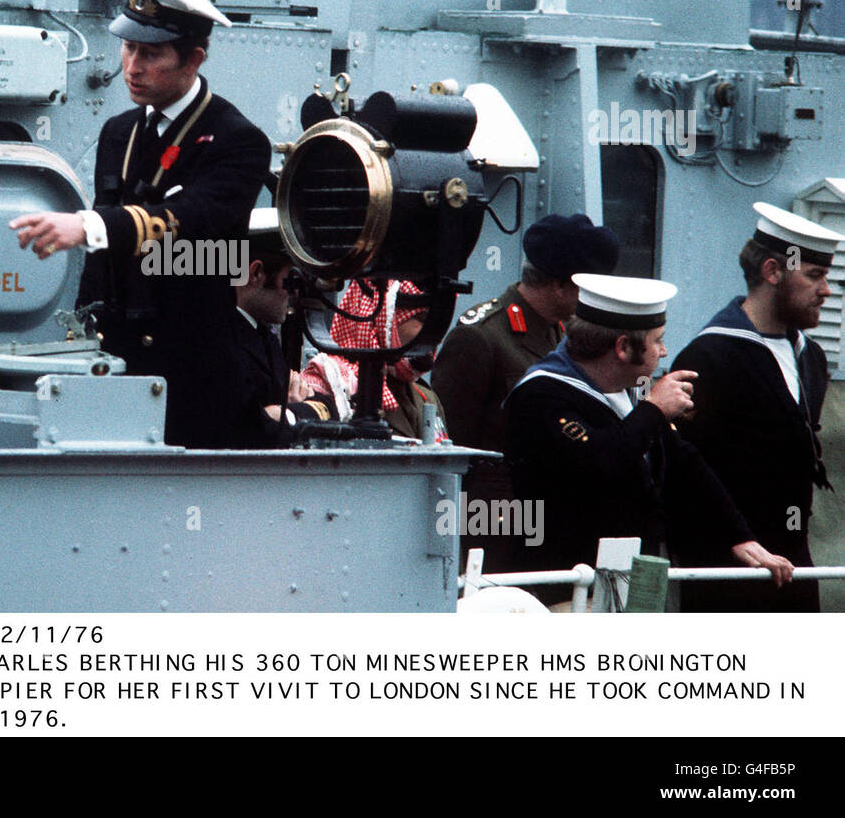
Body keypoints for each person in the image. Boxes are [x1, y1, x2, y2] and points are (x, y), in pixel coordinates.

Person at [10, 0, 270, 448]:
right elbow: (107, 265)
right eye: (128, 48)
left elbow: (195, 224)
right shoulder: (119, 133)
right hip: (116, 366)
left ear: (194, 59)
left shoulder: (237, 141)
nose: (132, 65)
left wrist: (89, 226)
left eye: (150, 53)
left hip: (193, 379)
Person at [505, 274, 793, 594]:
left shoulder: (625, 393)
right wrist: (654, 410)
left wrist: (739, 537)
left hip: (627, 581)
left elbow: (684, 463)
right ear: (624, 347)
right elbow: (598, 461)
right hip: (566, 587)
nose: (664, 351)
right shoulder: (541, 395)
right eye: (657, 340)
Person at [673, 202, 843, 612]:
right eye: (815, 276)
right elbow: (683, 472)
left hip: (794, 566)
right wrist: (735, 542)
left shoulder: (811, 357)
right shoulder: (709, 357)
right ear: (772, 272)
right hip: (729, 575)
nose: (827, 290)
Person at [433, 213, 619, 571]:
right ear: (559, 286)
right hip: (496, 517)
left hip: (551, 513)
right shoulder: (481, 336)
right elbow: (451, 446)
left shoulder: (561, 332)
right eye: (587, 288)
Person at [230, 208, 334, 446]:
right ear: (256, 273)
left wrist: (284, 413)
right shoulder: (221, 342)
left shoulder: (262, 337)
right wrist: (296, 412)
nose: (296, 291)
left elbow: (329, 407)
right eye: (292, 278)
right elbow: (249, 429)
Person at [302, 278, 447, 441]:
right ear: (385, 318)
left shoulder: (427, 397)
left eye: (437, 324)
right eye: (422, 319)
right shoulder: (332, 386)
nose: (435, 337)